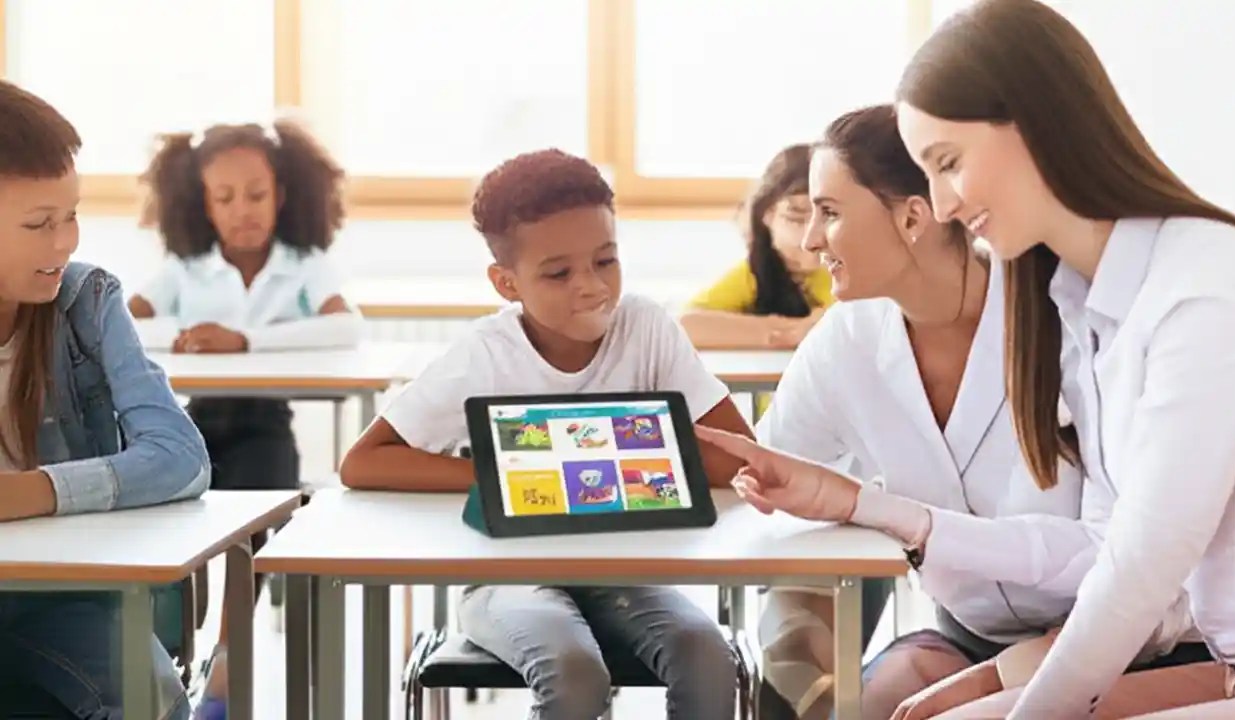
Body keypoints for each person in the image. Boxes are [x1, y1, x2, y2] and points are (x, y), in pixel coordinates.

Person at [706, 0, 1235, 717]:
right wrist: (870, 508)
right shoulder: (1082, 300)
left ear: (1034, 124)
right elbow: (1106, 545)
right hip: (1221, 661)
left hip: (1210, 653)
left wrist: (1015, 688)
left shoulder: (1202, 285)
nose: (942, 204)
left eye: (947, 164)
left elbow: (1143, 568)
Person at [340, 149, 754, 720]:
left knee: (708, 657)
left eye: (605, 261)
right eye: (558, 273)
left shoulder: (646, 328)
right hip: (507, 577)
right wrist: (511, 476)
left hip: (623, 571)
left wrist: (618, 466)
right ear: (506, 283)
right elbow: (364, 462)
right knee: (575, 672)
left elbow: (737, 458)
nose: (590, 287)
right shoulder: (486, 353)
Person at [751, 105, 1082, 720]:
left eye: (829, 212)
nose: (810, 241)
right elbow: (773, 466)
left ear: (912, 216)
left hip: (1109, 637)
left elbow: (1127, 554)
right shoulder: (845, 340)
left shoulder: (1062, 317)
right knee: (875, 696)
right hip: (967, 637)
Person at [128, 119, 357, 720]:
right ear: (202, 204)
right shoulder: (186, 267)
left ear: (281, 194)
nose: (243, 210)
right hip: (192, 426)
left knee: (252, 528)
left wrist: (244, 340)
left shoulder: (304, 264)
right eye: (224, 198)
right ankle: (176, 658)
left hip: (264, 426)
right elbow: (125, 322)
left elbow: (345, 326)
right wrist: (186, 336)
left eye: (256, 194)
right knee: (177, 525)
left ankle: (228, 663)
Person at [0, 79, 210, 720]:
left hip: (55, 595)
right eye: (39, 224)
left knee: (149, 696)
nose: (65, 242)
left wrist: (34, 491)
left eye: (70, 215)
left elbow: (181, 457)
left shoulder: (86, 302)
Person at [680, 143, 835, 349]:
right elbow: (686, 325)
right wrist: (792, 330)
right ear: (767, 216)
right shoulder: (755, 274)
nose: (813, 233)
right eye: (796, 218)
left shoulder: (847, 269)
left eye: (830, 215)